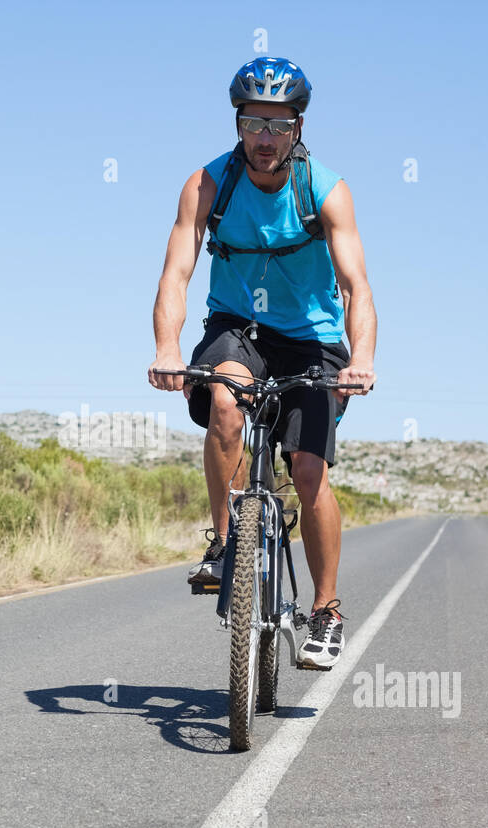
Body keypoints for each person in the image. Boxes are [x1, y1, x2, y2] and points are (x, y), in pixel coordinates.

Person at [147, 56, 377, 669]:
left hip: (311, 341)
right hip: (238, 329)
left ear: (297, 127)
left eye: (278, 124)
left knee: (308, 472)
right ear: (238, 125)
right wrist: (168, 349)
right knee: (225, 399)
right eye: (253, 122)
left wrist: (363, 360)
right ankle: (224, 543)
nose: (265, 137)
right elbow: (176, 273)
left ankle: (325, 613)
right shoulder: (208, 185)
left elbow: (355, 285)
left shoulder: (325, 190)